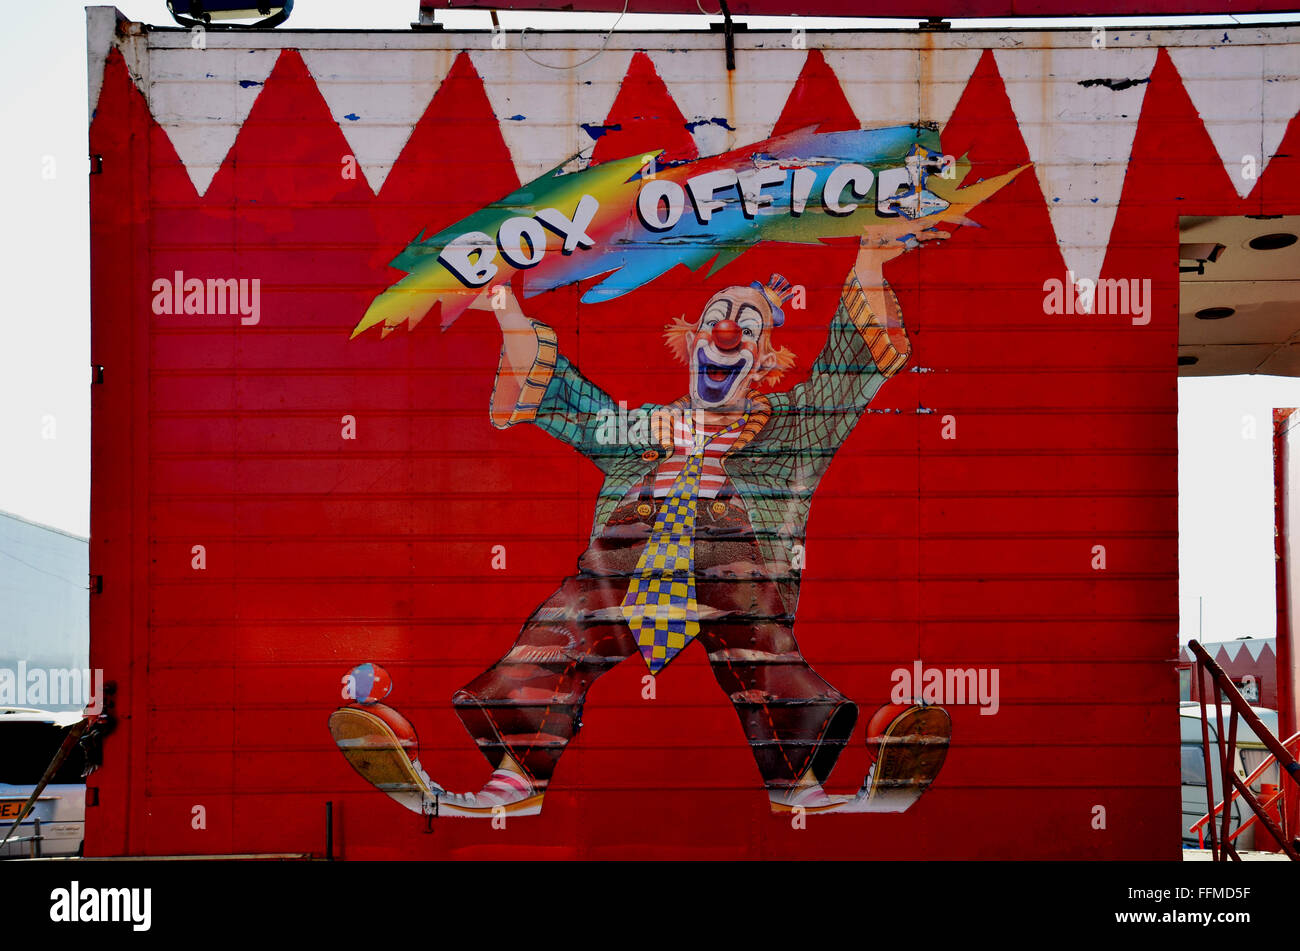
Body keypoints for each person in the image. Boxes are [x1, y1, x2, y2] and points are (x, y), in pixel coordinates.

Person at [331, 221, 953, 818]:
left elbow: (851, 373)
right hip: (627, 562)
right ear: (692, 342)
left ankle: (802, 783)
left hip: (737, 565)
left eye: (746, 326)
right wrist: (504, 307)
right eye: (713, 320)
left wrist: (869, 258)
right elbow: (565, 395)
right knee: (556, 637)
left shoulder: (793, 429)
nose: (727, 331)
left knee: (764, 656)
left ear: (763, 358)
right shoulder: (641, 428)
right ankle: (513, 778)